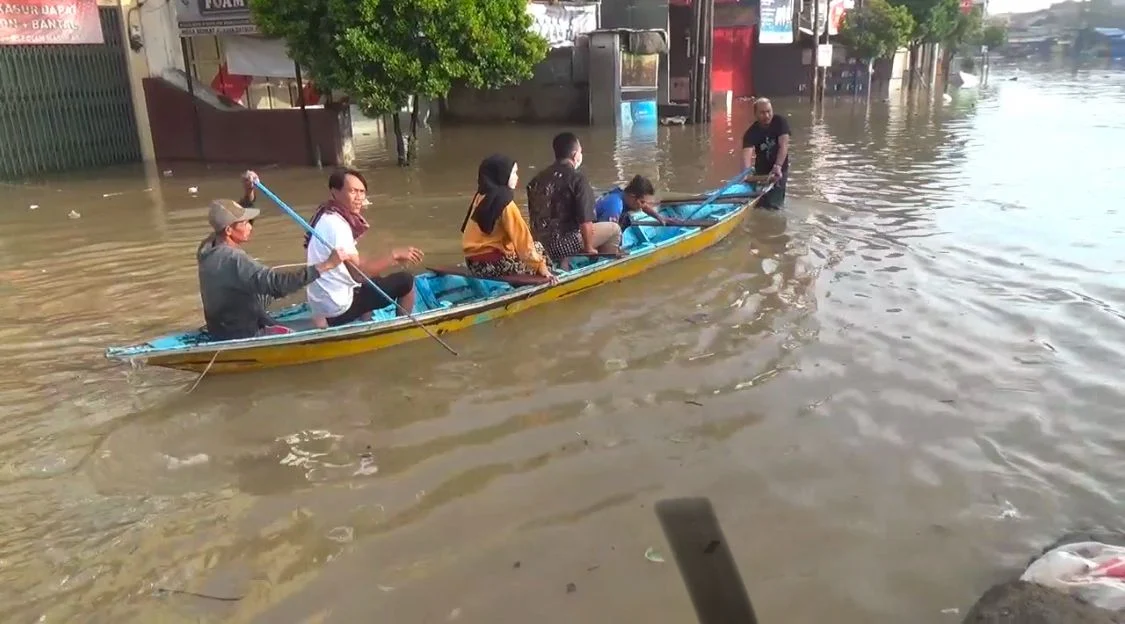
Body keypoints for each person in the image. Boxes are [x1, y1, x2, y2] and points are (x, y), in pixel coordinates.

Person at [197, 198, 353, 340]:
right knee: (321, 323)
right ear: (229, 231)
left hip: (220, 328)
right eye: (245, 223)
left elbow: (228, 222)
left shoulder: (206, 248)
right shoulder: (233, 259)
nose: (250, 226)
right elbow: (278, 285)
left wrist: (249, 195)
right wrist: (327, 265)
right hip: (244, 333)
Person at [304, 169, 425, 328]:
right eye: (353, 191)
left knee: (375, 277)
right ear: (335, 192)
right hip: (337, 309)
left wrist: (389, 261)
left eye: (362, 192)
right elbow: (359, 275)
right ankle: (401, 328)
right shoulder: (337, 225)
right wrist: (393, 255)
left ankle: (365, 322)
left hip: (322, 303)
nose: (359, 198)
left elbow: (356, 267)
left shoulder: (326, 215)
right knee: (406, 281)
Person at [526, 132, 622, 265]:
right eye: (580, 152)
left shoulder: (536, 180)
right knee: (614, 229)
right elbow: (585, 221)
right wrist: (589, 247)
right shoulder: (577, 179)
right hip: (564, 244)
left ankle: (564, 264)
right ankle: (604, 265)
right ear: (575, 155)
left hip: (539, 246)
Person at [461, 154, 557, 283]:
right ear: (502, 175)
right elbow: (523, 241)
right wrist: (540, 266)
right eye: (514, 173)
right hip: (495, 265)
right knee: (537, 247)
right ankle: (548, 276)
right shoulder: (505, 203)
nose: (517, 177)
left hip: (473, 263)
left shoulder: (481, 196)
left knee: (526, 251)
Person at [740, 97, 791, 210]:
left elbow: (784, 145)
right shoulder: (750, 133)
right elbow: (746, 155)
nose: (767, 116)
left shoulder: (780, 122)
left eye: (769, 111)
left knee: (775, 206)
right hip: (761, 171)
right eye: (762, 113)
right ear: (755, 114)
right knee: (759, 206)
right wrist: (745, 172)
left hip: (779, 169)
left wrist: (777, 166)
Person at [594, 174, 666, 227]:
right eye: (642, 202)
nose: (643, 205)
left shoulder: (623, 195)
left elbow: (644, 206)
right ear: (632, 196)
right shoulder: (616, 206)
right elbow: (606, 231)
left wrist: (659, 217)